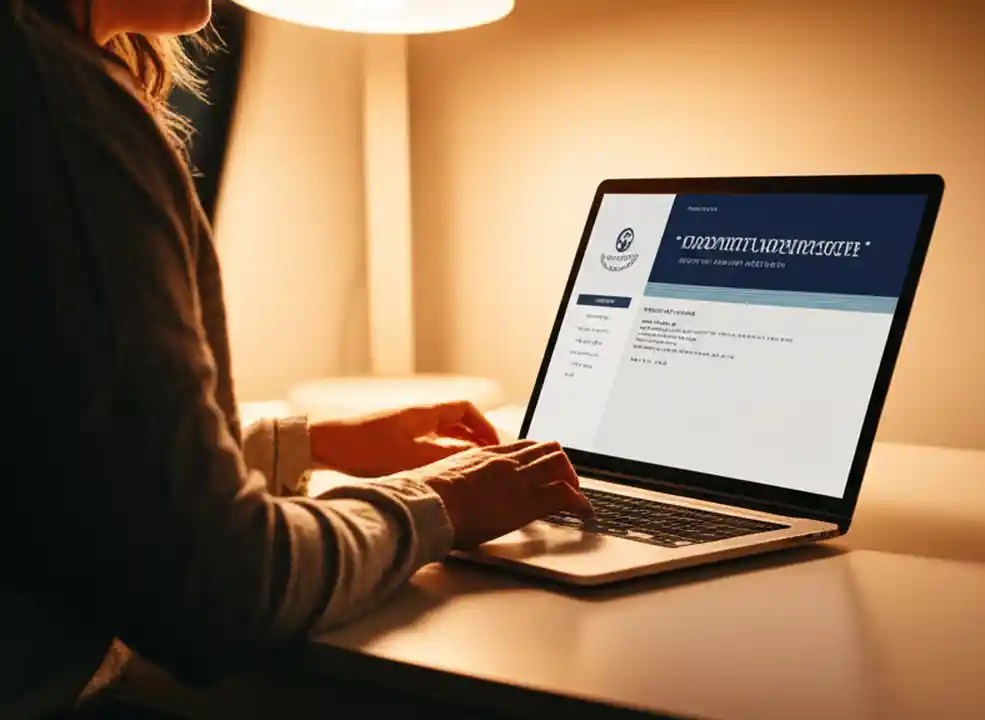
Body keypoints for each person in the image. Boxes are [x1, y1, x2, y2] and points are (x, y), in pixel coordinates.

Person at [2, 1, 593, 716]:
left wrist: (301, 445)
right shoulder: (58, 109)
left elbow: (51, 464)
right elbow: (218, 588)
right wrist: (442, 503)